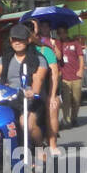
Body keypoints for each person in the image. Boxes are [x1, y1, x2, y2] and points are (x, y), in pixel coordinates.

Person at [28, 19, 61, 152]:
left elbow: (54, 73)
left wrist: (52, 96)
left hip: (46, 89)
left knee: (52, 108)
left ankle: (52, 144)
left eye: (35, 32)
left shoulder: (45, 50)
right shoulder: (18, 50)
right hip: (26, 90)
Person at [59, 27, 85, 128]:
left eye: (64, 32)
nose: (62, 35)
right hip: (64, 77)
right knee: (66, 100)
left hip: (76, 75)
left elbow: (81, 56)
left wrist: (81, 69)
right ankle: (66, 119)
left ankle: (74, 118)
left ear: (67, 32)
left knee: (76, 100)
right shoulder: (58, 44)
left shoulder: (75, 43)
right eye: (60, 33)